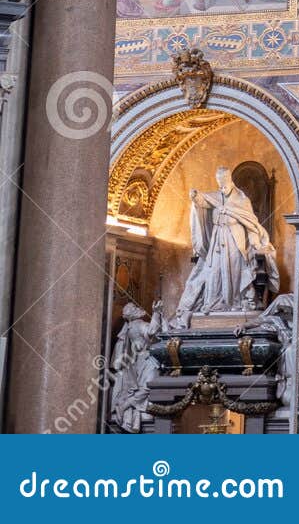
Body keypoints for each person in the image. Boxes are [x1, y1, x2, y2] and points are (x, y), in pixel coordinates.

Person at [173, 167, 280, 326]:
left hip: (235, 240)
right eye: (219, 183)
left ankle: (235, 303)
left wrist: (256, 244)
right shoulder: (216, 196)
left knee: (234, 270)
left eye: (224, 183)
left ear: (230, 180)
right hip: (217, 239)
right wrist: (195, 197)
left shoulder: (242, 200)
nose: (222, 187)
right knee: (213, 271)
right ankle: (213, 303)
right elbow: (204, 201)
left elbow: (251, 224)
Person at [108, 301, 163, 431]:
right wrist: (156, 313)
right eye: (135, 308)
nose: (139, 308)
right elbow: (152, 331)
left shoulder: (129, 327)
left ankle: (126, 405)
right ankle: (126, 406)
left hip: (139, 360)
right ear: (132, 314)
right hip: (148, 360)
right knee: (149, 385)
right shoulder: (138, 325)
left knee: (147, 386)